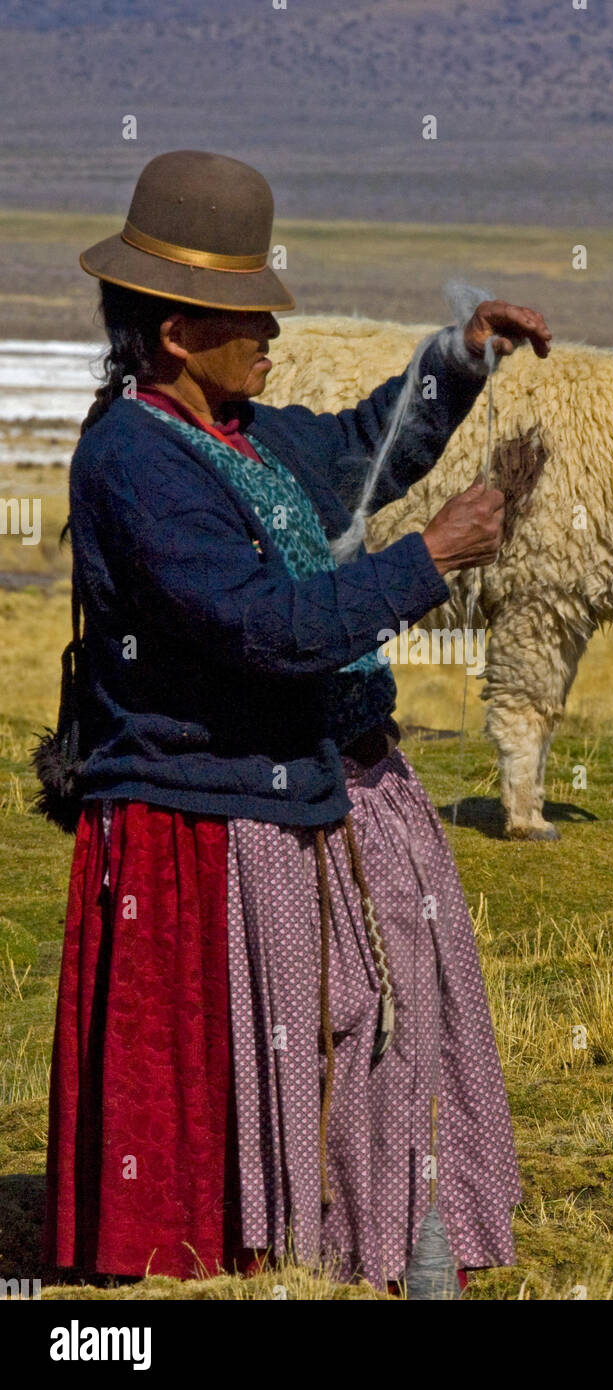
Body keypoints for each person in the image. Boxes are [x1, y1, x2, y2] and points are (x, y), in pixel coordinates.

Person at [42, 150, 552, 1291]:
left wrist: (457, 361)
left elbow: (364, 451)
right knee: (316, 1039)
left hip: (313, 784)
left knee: (390, 1028)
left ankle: (384, 1251)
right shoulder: (133, 461)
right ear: (177, 331)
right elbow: (265, 626)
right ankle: (271, 1254)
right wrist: (429, 560)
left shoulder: (244, 431)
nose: (271, 332)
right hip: (216, 811)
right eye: (247, 315)